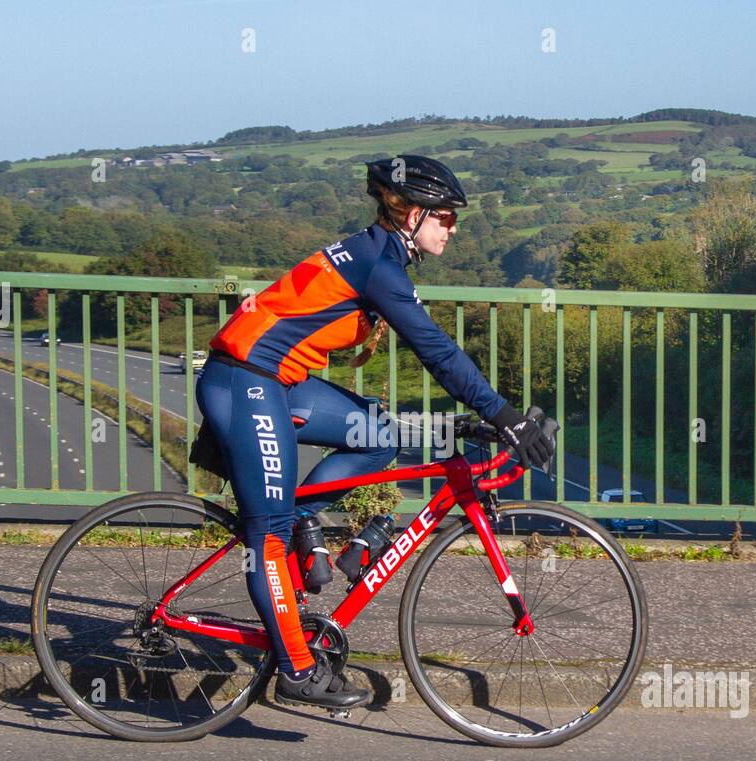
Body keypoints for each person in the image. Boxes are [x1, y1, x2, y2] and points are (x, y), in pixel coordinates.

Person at [196, 154, 555, 711]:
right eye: (444, 216)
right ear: (409, 212)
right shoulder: (376, 266)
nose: (452, 227)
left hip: (277, 379)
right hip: (245, 382)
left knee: (377, 434)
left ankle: (298, 520)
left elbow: (282, 302)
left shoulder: (372, 255)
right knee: (266, 535)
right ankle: (296, 668)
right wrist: (504, 415)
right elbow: (436, 350)